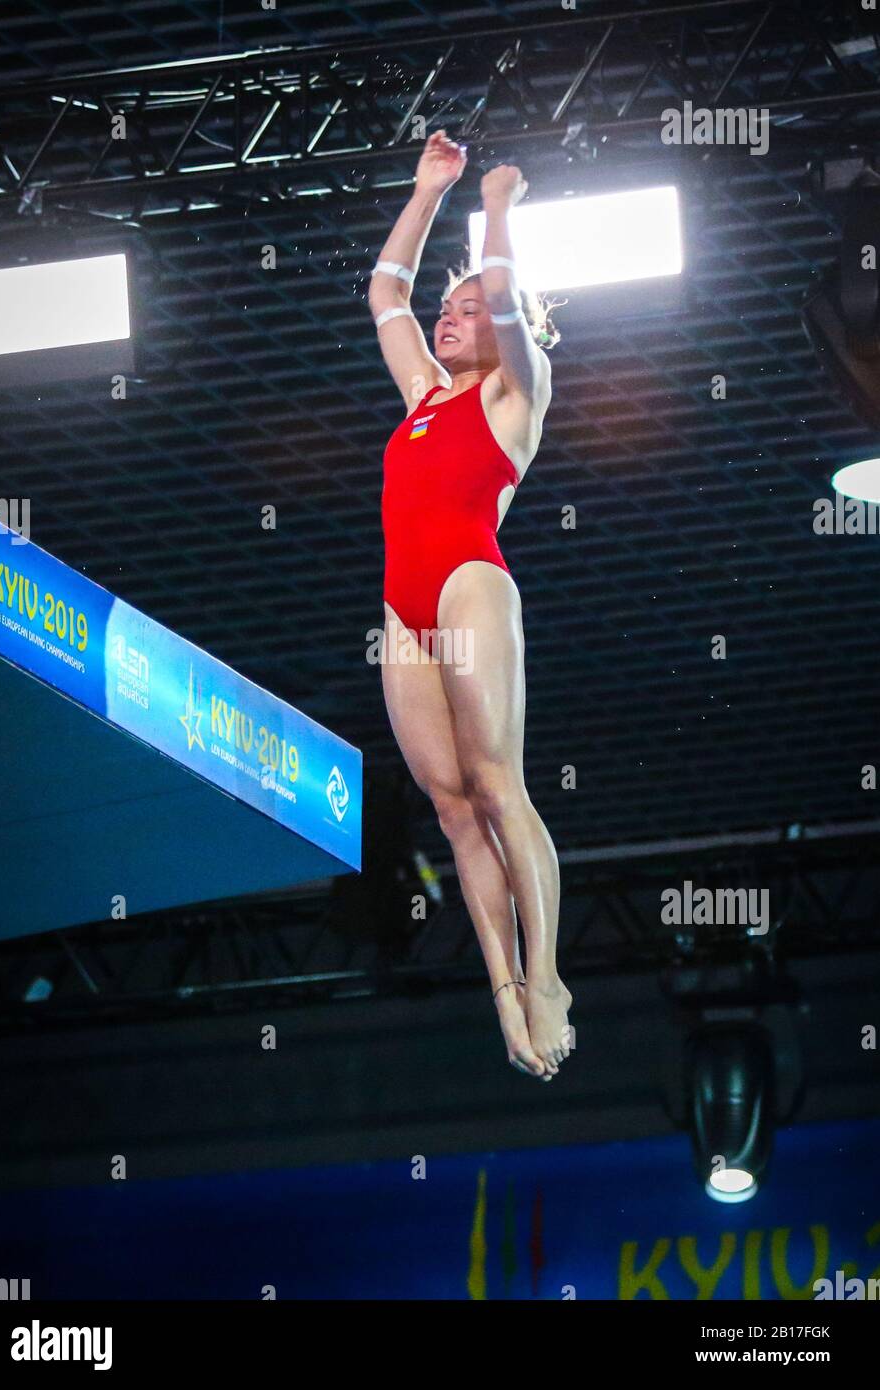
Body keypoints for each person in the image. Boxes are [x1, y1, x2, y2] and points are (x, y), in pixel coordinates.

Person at [368, 130, 570, 1081]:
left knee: (497, 784)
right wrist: (427, 190)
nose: (447, 320)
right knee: (451, 810)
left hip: (466, 582)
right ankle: (500, 993)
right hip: (401, 608)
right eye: (445, 312)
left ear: (500, 322)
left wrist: (494, 209)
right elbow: (383, 295)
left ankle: (545, 977)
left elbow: (498, 297)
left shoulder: (513, 393)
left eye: (465, 310)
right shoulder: (422, 395)